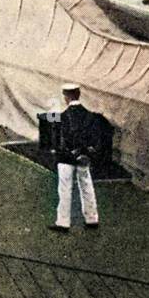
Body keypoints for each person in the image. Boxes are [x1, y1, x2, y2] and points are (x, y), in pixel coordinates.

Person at [51, 83, 100, 233]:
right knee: (86, 186)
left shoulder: (62, 117)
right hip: (84, 158)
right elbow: (94, 139)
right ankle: (92, 219)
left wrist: (73, 153)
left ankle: (63, 222)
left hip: (66, 158)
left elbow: (60, 140)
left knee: (65, 189)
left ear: (66, 96)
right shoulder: (90, 115)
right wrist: (84, 154)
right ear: (78, 95)